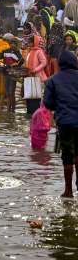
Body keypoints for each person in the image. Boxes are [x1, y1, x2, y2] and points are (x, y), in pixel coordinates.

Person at [43, 51, 78, 197]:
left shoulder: (52, 80)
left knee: (67, 155)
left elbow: (47, 103)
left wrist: (59, 106)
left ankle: (68, 191)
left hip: (65, 122)